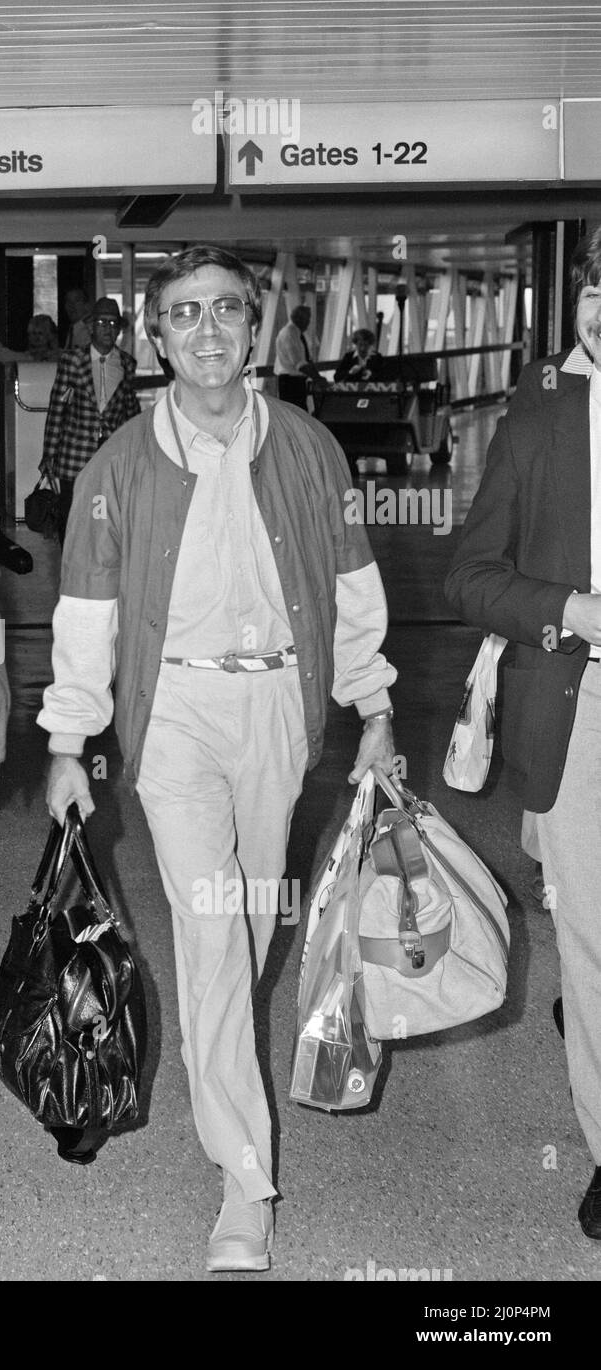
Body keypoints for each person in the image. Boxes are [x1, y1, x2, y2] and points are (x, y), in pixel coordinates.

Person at [39, 245, 397, 1273]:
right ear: (155, 336)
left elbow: (351, 584)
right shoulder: (117, 466)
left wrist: (372, 704)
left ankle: (209, 1047)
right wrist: (68, 741)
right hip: (175, 711)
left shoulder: (308, 449)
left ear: (254, 328)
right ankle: (245, 1180)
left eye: (225, 310)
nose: (205, 330)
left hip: (279, 702)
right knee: (210, 923)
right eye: (182, 313)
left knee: (240, 928)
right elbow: (85, 618)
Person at [445, 226, 601, 1241]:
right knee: (590, 942)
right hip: (580, 705)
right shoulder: (542, 419)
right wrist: (569, 611)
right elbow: (469, 574)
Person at [40, 296, 140, 541]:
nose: (108, 328)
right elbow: (57, 408)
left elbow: (130, 411)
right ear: (91, 326)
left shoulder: (127, 364)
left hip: (111, 455)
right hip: (74, 453)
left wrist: (138, 451)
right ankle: (71, 574)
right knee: (71, 521)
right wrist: (49, 454)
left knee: (105, 520)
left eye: (114, 323)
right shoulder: (73, 360)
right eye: (102, 322)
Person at [274, 303, 320, 407]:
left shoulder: (296, 334)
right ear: (299, 319)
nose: (308, 322)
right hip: (290, 383)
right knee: (294, 415)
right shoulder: (289, 334)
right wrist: (318, 379)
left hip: (296, 382)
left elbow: (306, 359)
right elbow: (299, 363)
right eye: (307, 319)